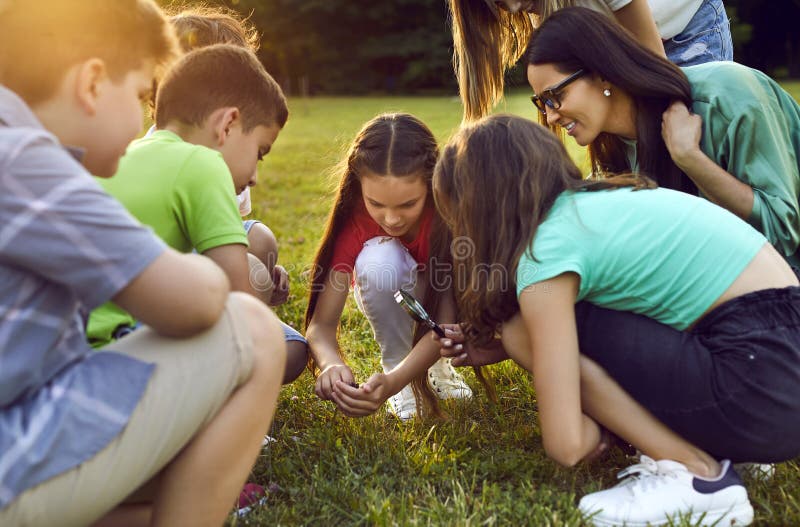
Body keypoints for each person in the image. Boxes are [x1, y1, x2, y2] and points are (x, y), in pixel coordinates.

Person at [433, 113, 800, 526]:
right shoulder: (597, 206)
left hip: (755, 383)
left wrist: (602, 430)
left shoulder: (545, 251)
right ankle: (723, 449)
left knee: (520, 331)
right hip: (777, 365)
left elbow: (569, 445)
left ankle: (698, 476)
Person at [0, 2, 286, 526]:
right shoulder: (24, 162)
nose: (141, 118)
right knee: (256, 332)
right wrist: (195, 265)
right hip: (11, 465)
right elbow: (197, 304)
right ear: (91, 85)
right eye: (138, 95)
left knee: (174, 490)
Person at [85, 44, 307, 385]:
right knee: (278, 346)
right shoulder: (204, 164)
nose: (254, 177)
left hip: (80, 345)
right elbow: (240, 301)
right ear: (228, 124)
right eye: (260, 153)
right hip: (128, 350)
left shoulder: (130, 153)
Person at [525, 6, 800, 264]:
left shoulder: (730, 95)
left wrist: (690, 158)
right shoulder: (615, 151)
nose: (550, 116)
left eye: (555, 97)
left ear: (601, 73)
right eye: (542, 103)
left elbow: (781, 231)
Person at [305, 113, 472, 420]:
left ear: (432, 183)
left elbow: (446, 324)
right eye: (377, 204)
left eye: (408, 204)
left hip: (442, 308)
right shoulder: (354, 219)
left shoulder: (447, 214)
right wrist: (330, 365)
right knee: (380, 261)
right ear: (359, 188)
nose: (392, 219)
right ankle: (397, 362)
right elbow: (321, 326)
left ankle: (437, 368)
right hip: (393, 290)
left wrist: (392, 384)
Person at [447, 0, 732, 120]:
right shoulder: (540, 8)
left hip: (685, 27)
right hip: (629, 50)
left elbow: (657, 71)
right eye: (498, 4)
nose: (515, 8)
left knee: (688, 134)